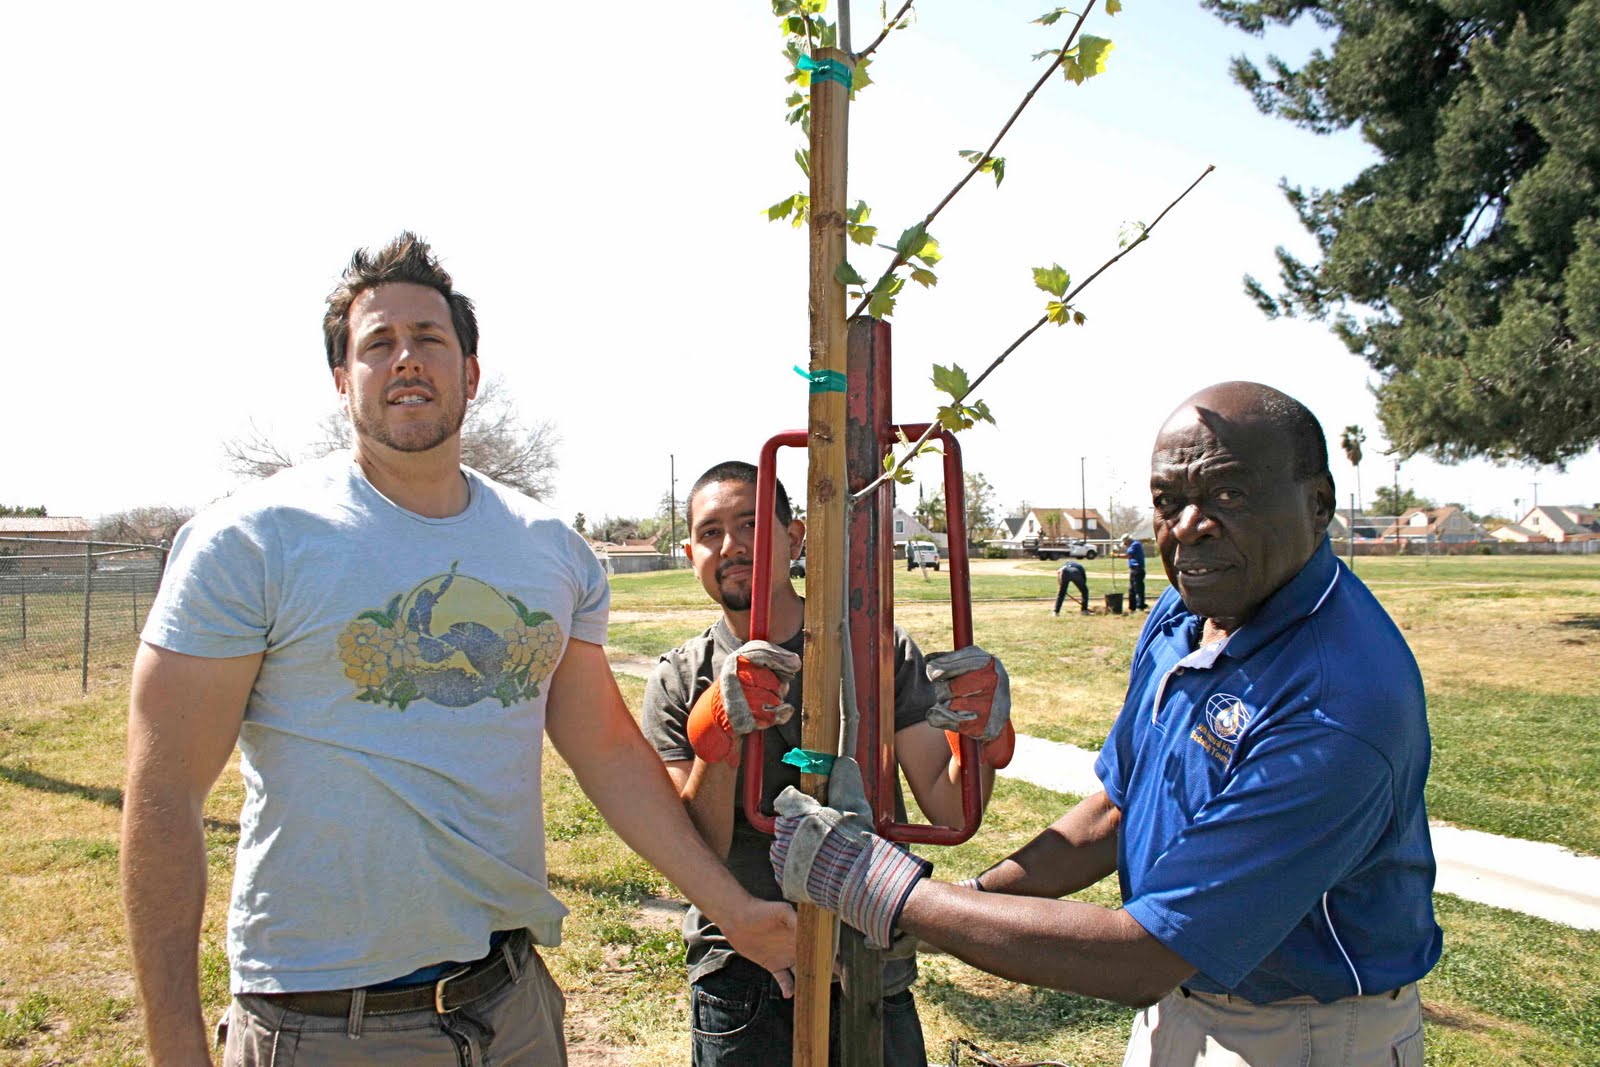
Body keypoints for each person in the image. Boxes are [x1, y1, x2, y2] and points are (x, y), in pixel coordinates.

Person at [120, 234, 795, 1067]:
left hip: (508, 1007)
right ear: (342, 381)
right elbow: (163, 796)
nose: (407, 359)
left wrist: (731, 904)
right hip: (322, 1018)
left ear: (470, 373)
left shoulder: (551, 552)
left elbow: (613, 754)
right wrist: (176, 1045)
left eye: (430, 339)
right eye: (378, 344)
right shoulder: (253, 542)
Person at [770, 382, 1442, 1066]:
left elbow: (1142, 954)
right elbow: (1117, 812)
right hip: (1179, 1006)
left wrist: (884, 889)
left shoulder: (1338, 702)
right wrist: (963, 907)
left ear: (1318, 502)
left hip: (1303, 1034)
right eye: (1167, 502)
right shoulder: (1188, 614)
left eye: (1229, 495)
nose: (1188, 527)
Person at [641, 460, 1013, 1067]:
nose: (731, 546)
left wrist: (981, 740)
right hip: (743, 969)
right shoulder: (680, 677)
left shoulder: (877, 652)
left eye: (751, 524)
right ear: (690, 553)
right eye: (711, 533)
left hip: (869, 955)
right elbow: (696, 845)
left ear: (795, 536)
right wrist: (719, 736)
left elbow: (946, 806)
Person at [1119, 533, 1148, 611]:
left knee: (1138, 588)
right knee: (1132, 589)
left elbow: (1129, 555)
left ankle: (1140, 606)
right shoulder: (1134, 545)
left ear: (1128, 541)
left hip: (1137, 569)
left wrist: (1116, 555)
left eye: (1125, 543)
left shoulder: (1135, 545)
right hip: (1134, 570)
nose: (1125, 545)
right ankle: (1132, 607)